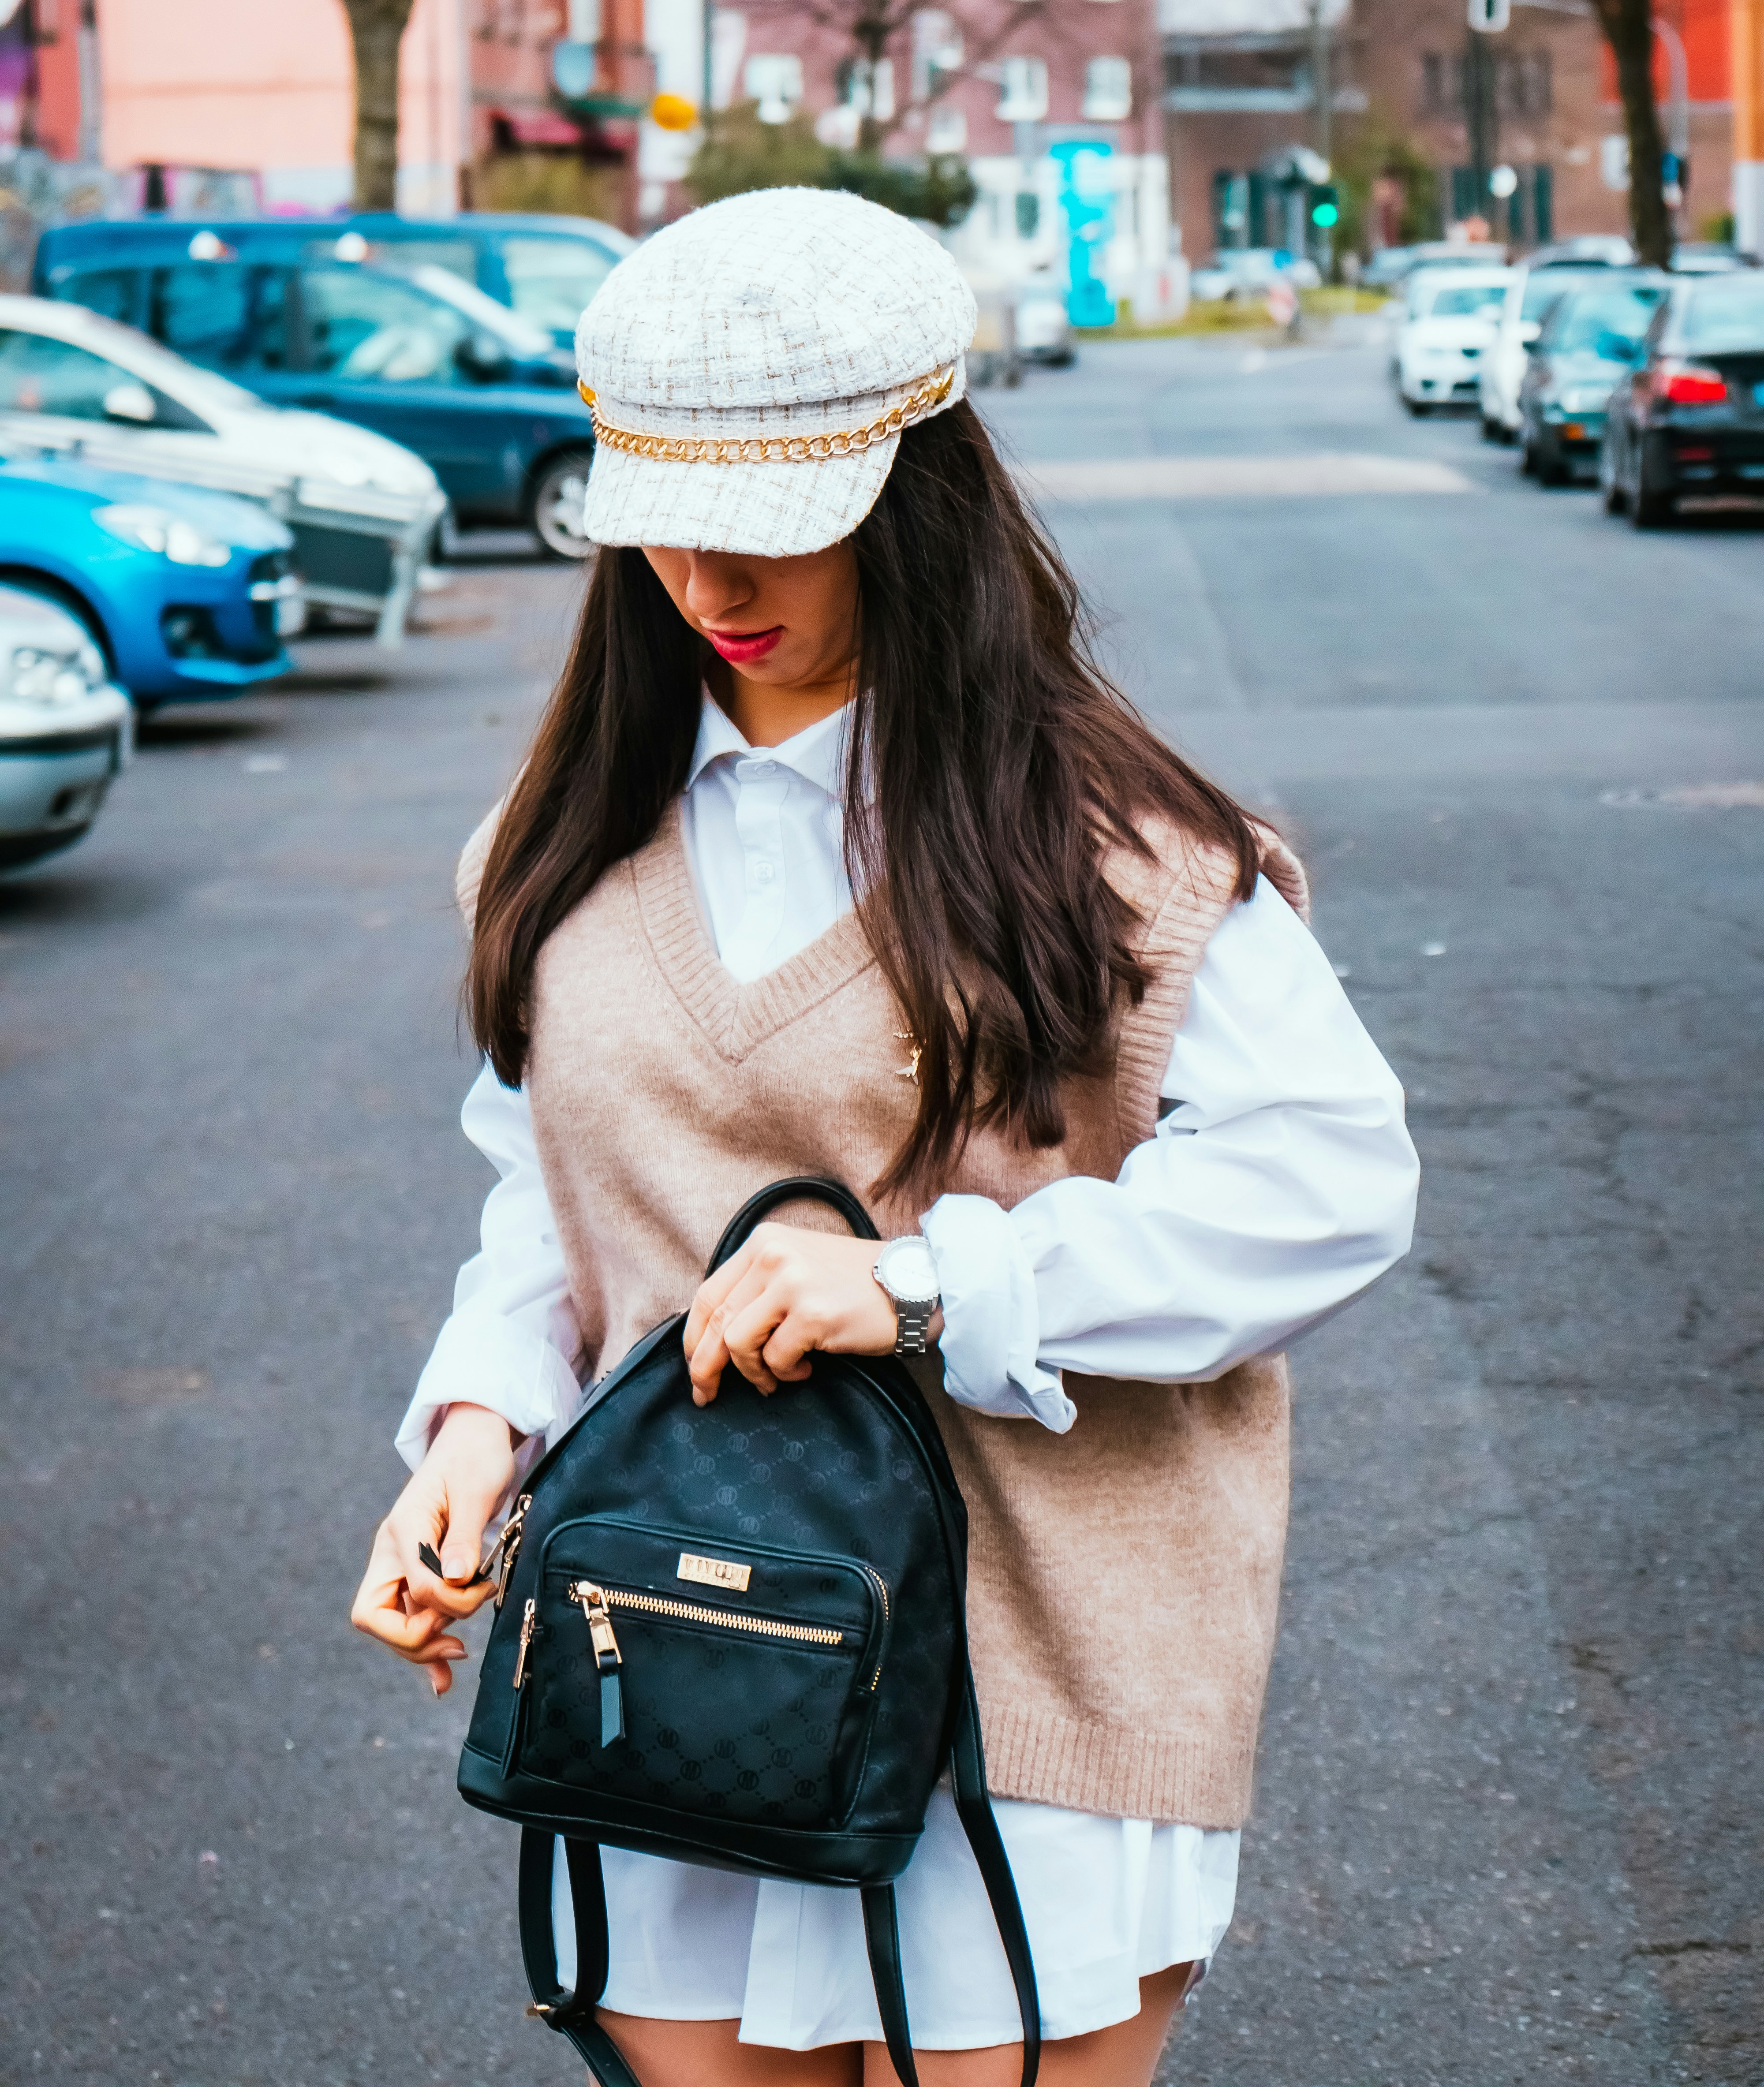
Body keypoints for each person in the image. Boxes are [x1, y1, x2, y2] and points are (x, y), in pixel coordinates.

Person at [352, 187, 1418, 2087]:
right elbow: (551, 1196)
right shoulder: (567, 839)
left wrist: (929, 1287)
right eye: (655, 520)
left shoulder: (1118, 853)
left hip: (1035, 1689)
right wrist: (472, 1434)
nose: (704, 576)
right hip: (678, 1656)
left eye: (772, 524)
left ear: (915, 502)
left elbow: (1329, 1188)